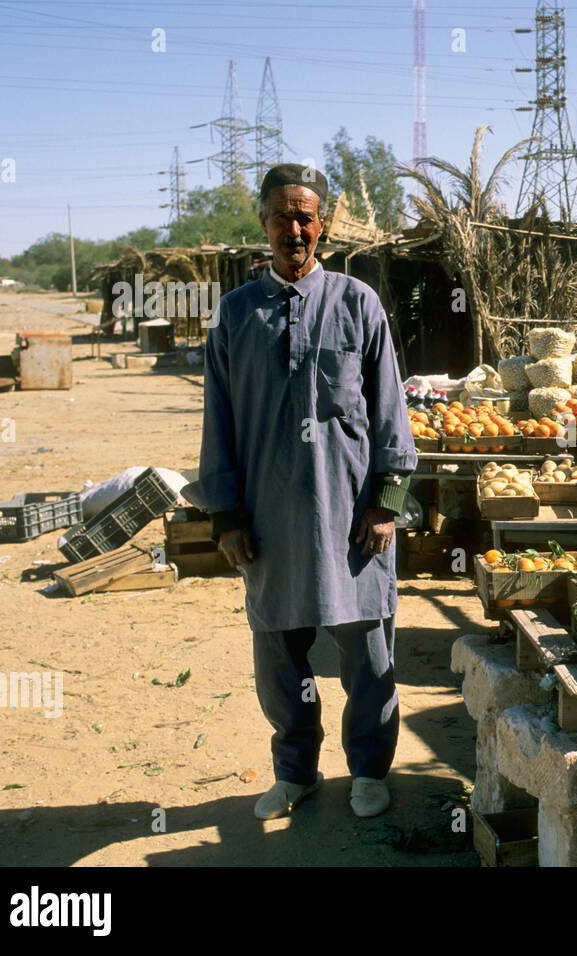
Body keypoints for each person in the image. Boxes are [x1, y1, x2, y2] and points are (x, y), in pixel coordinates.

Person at [199, 163, 417, 820]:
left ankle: (370, 771)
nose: (295, 228)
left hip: (354, 514)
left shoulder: (358, 303)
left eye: (306, 215)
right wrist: (226, 515)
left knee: (368, 651)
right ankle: (296, 773)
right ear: (263, 223)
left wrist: (388, 501)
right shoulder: (236, 315)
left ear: (322, 223)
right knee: (278, 651)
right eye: (282, 215)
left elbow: (388, 408)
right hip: (269, 518)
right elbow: (219, 420)